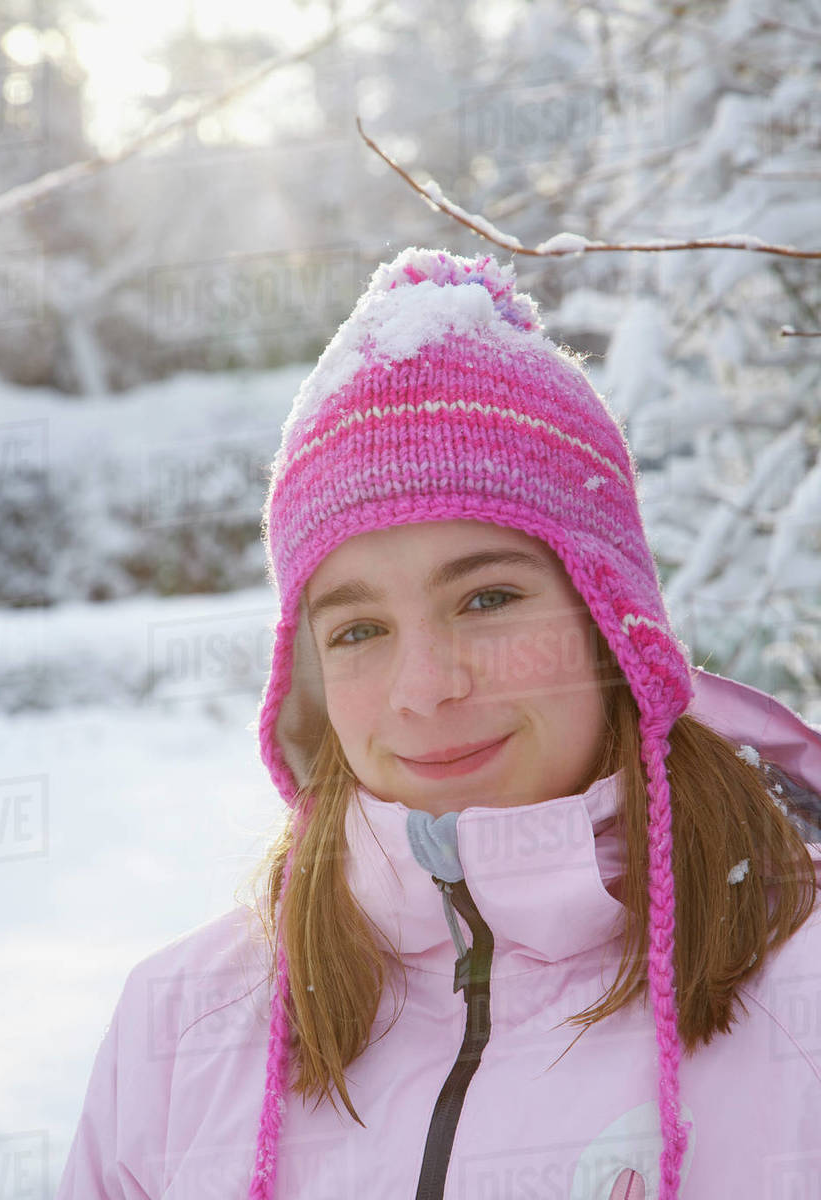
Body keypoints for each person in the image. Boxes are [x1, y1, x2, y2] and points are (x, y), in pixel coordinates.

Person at [55, 247, 821, 1200]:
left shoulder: (804, 992)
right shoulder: (179, 1029)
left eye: (488, 599)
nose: (423, 689)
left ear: (609, 622)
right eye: (361, 629)